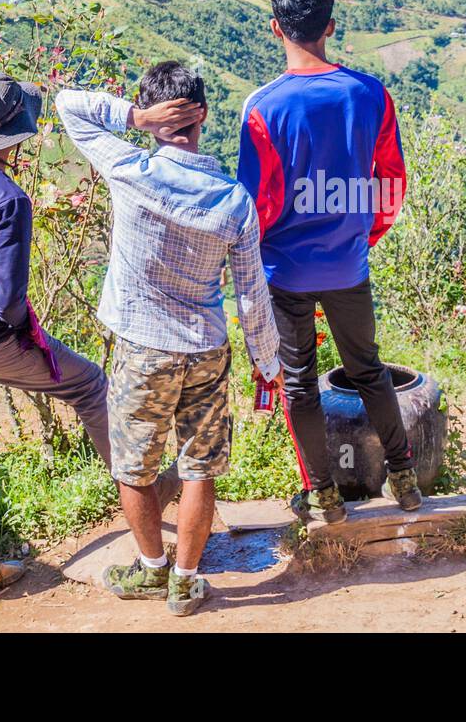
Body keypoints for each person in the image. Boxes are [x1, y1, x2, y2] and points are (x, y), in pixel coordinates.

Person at [0, 72, 193, 604]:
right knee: (90, 386)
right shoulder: (7, 199)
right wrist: (20, 339)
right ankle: (145, 494)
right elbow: (9, 301)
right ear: (14, 136)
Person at [55, 61, 283, 617]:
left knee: (134, 465)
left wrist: (131, 118)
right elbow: (251, 295)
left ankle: (153, 570)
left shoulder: (128, 168)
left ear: (157, 116)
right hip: (207, 348)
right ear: (202, 115)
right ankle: (186, 582)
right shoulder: (233, 201)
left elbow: (66, 104)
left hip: (142, 347)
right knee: (199, 464)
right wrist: (267, 362)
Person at [238, 0, 420, 524]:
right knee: (368, 370)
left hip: (285, 270)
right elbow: (391, 179)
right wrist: (364, 233)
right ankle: (405, 478)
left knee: (299, 384)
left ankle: (322, 496)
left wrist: (255, 256)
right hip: (348, 263)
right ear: (331, 27)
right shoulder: (369, 94)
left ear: (275, 29)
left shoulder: (263, 107)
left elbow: (257, 200)